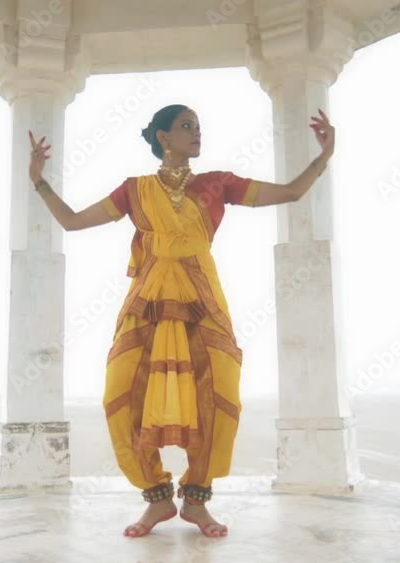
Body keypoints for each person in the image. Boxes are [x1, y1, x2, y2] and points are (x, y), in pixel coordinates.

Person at [27, 104, 335, 538]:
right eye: (186, 127)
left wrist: (324, 157)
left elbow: (289, 192)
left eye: (198, 127)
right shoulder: (134, 190)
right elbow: (73, 222)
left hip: (201, 300)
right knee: (121, 394)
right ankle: (156, 498)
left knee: (219, 393)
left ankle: (196, 501)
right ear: (162, 138)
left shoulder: (217, 184)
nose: (196, 133)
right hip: (146, 302)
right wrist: (38, 180)